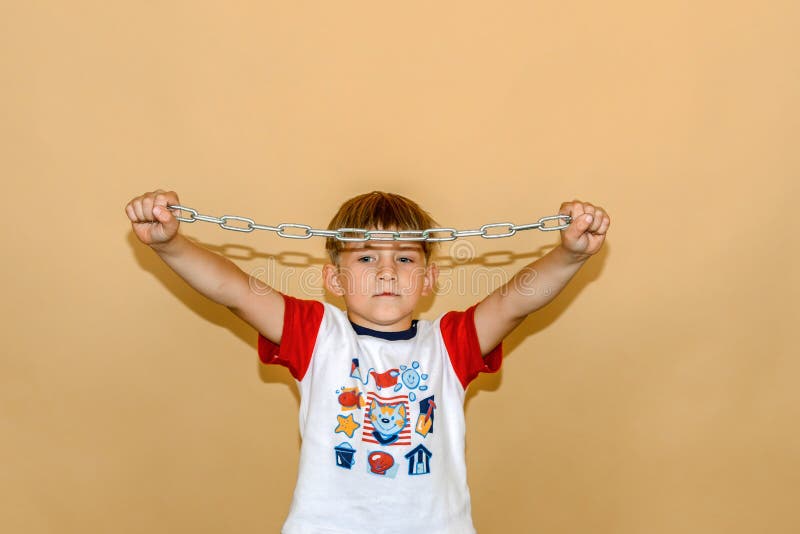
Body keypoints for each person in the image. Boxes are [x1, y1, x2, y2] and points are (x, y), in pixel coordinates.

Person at [125, 189, 610, 534]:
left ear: (428, 279)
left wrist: (569, 256)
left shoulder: (449, 343)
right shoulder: (317, 336)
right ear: (333, 280)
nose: (385, 271)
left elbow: (516, 301)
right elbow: (231, 289)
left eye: (404, 259)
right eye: (365, 258)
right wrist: (170, 244)